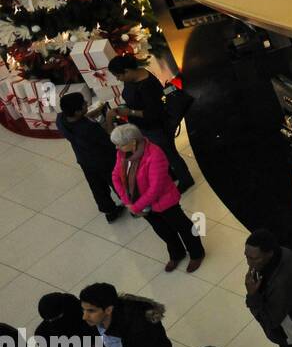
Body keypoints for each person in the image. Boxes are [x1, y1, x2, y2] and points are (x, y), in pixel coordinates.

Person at [110, 123, 204, 273]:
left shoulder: (154, 154)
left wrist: (135, 207)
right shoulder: (122, 154)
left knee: (183, 227)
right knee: (163, 230)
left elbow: (155, 189)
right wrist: (127, 201)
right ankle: (177, 254)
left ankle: (197, 253)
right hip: (142, 204)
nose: (117, 148)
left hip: (164, 201)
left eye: (119, 145)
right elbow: (116, 176)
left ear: (133, 142)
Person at [107, 55, 195, 192]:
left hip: (156, 126)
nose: (118, 79)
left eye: (118, 76)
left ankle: (185, 179)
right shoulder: (133, 78)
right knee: (159, 153)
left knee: (169, 153)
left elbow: (153, 114)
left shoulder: (147, 85)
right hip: (143, 126)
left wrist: (129, 112)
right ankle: (172, 174)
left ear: (127, 71)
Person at [56, 92, 123, 223]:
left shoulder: (61, 119)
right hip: (104, 159)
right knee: (116, 181)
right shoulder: (88, 129)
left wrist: (90, 114)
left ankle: (109, 212)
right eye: (84, 104)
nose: (87, 104)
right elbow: (110, 139)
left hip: (84, 160)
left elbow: (80, 120)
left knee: (97, 187)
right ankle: (131, 204)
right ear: (76, 112)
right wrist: (109, 118)